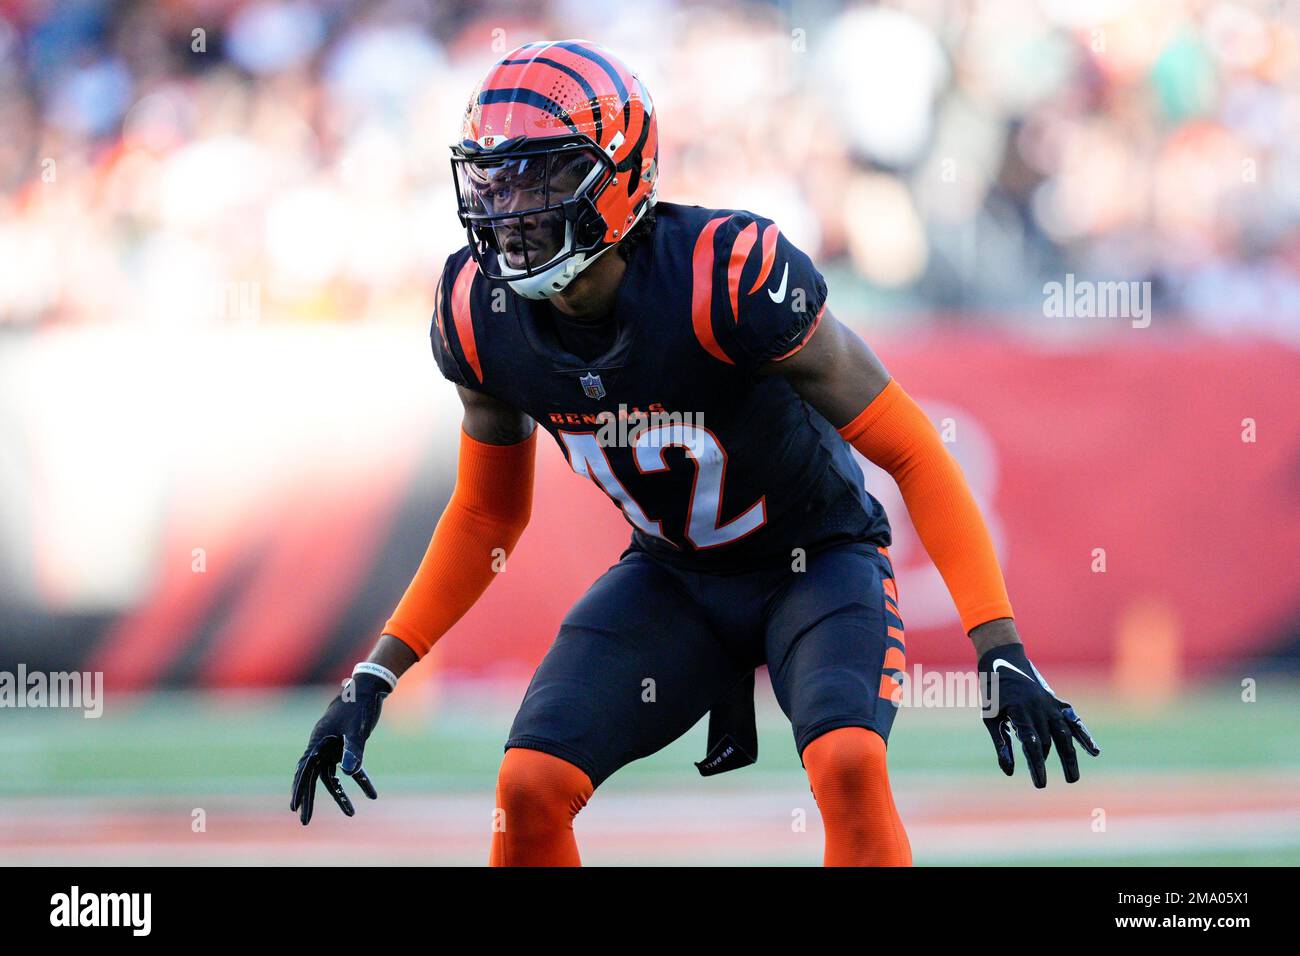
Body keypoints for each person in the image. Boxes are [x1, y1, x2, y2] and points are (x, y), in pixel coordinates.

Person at [291, 39, 1099, 866]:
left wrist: (998, 647)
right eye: (498, 180)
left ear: (617, 179)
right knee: (530, 784)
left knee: (848, 760)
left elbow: (915, 451)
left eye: (543, 177)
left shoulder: (728, 274)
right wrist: (377, 675)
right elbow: (487, 513)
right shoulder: (475, 310)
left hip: (815, 562)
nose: (513, 209)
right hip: (674, 577)